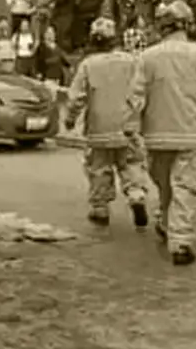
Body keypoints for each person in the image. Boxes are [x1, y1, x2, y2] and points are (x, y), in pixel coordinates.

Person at [128, 0, 196, 266]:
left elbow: (135, 96)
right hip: (189, 132)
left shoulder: (147, 57)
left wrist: (131, 127)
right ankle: (181, 242)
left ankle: (165, 222)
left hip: (156, 135)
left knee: (164, 185)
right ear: (186, 25)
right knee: (184, 186)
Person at [64, 17, 149, 228]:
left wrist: (70, 119)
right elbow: (142, 90)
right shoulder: (131, 61)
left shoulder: (88, 65)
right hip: (127, 126)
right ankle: (136, 194)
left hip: (99, 128)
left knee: (99, 168)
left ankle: (100, 208)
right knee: (131, 164)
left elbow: (76, 98)